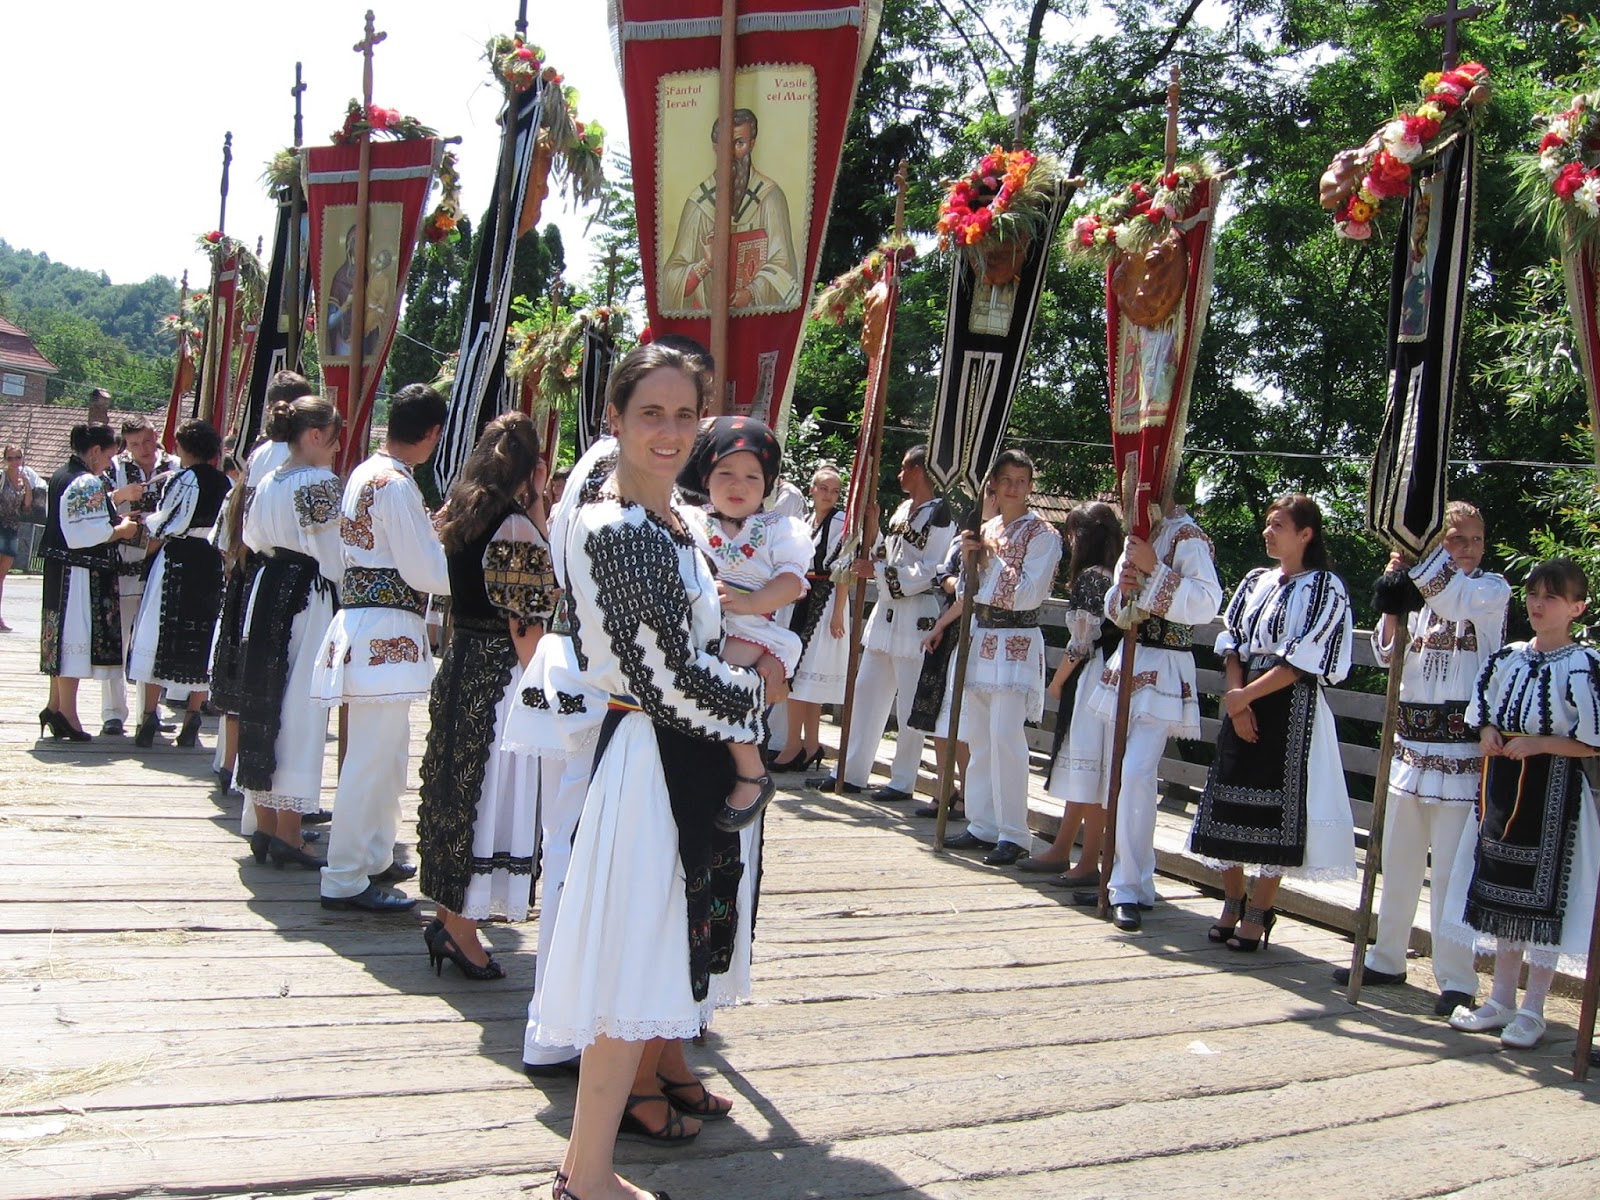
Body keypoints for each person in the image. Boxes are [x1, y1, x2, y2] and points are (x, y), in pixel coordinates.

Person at [531, 344, 782, 1200]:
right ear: (615, 420)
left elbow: (696, 656)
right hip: (650, 760)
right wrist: (752, 724)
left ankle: (584, 1170)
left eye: (685, 415)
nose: (670, 432)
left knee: (648, 965)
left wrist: (737, 738)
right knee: (627, 966)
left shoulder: (673, 521)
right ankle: (587, 1174)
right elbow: (669, 677)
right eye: (651, 414)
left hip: (684, 757)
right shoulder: (613, 530)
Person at [1332, 501, 1510, 1015]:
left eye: (1476, 539)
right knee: (1399, 860)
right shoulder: (1422, 599)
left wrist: (1418, 564)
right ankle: (1387, 956)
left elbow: (1454, 601)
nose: (1469, 549)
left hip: (1459, 751)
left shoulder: (1488, 590)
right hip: (1413, 744)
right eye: (1457, 539)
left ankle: (1457, 976)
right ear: (1437, 544)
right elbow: (1388, 651)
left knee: (1453, 869)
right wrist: (1394, 595)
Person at [416, 412, 560, 978]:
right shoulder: (516, 527)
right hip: (501, 677)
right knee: (491, 797)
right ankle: (460, 928)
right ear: (534, 467)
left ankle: (451, 913)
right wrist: (544, 693)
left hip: (461, 663)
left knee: (458, 791)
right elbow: (526, 626)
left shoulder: (461, 517)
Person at [1437, 558, 1600, 1051]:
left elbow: (1593, 742)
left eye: (1551, 597)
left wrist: (1544, 744)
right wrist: (1488, 733)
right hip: (1503, 790)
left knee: (1547, 902)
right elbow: (1482, 712)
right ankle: (1501, 998)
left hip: (1555, 797)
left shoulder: (1583, 664)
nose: (1537, 604)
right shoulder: (1507, 657)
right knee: (1502, 896)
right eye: (1533, 594)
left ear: (1577, 607)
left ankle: (1534, 1009)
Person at [1190, 494, 1356, 951]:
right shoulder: (1255, 580)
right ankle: (1232, 900)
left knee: (1278, 807)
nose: (1268, 531)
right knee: (1225, 797)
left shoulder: (1325, 587)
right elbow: (1234, 641)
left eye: (1278, 525)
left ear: (1305, 534)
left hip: (1289, 701)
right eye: (1267, 523)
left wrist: (1247, 697)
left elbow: (1306, 657)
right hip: (1245, 692)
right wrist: (1237, 698)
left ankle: (1261, 910)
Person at [311, 383, 452, 914]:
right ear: (433, 434)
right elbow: (424, 570)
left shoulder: (367, 472)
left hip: (369, 622)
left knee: (385, 754)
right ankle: (344, 874)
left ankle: (371, 855)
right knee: (372, 758)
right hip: (384, 627)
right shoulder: (394, 484)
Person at [1075, 495, 1223, 931]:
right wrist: (1123, 588)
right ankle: (1130, 880)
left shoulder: (1189, 537)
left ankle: (1127, 885)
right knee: (1119, 774)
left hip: (1166, 664)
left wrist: (1155, 569)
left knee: (1137, 772)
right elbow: (1117, 613)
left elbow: (1205, 604)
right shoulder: (1140, 533)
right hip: (1130, 660)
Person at [924, 450, 1063, 866]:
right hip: (980, 635)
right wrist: (971, 558)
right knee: (978, 736)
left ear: (1031, 485)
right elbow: (966, 590)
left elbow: (1027, 593)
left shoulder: (1044, 535)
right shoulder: (984, 527)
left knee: (1006, 736)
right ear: (995, 485)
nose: (1014, 488)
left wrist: (989, 556)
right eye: (1007, 479)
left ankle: (1015, 832)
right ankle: (982, 822)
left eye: (1022, 480)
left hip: (1015, 638)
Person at [679, 415, 809, 826]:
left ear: (768, 484)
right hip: (698, 627)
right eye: (726, 473)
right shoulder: (686, 518)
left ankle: (751, 772)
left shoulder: (780, 528)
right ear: (706, 476)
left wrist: (746, 603)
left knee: (720, 677)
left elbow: (790, 583)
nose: (738, 485)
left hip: (749, 627)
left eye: (753, 477)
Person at [234, 395, 344, 869]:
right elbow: (335, 555)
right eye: (335, 440)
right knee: (300, 705)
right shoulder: (320, 483)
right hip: (306, 595)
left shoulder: (269, 481)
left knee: (262, 696)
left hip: (266, 587)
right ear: (315, 436)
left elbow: (253, 540)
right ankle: (289, 832)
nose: (338, 450)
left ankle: (264, 824)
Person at [810, 446, 956, 800]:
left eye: (905, 468)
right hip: (886, 617)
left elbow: (932, 570)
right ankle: (851, 769)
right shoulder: (903, 510)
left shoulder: (942, 516)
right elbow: (885, 554)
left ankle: (902, 781)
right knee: (866, 694)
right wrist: (874, 529)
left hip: (916, 615)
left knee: (909, 705)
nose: (900, 475)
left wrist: (876, 571)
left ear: (920, 470)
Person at [213, 371, 316, 790]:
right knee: (266, 677)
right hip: (273, 566)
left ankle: (229, 760)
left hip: (247, 563)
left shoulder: (258, 454)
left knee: (243, 669)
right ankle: (257, 776)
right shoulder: (286, 457)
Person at [1025, 501, 1124, 883]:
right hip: (1111, 676)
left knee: (1091, 771)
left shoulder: (1090, 579)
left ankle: (1087, 863)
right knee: (1090, 770)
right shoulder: (1117, 574)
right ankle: (1063, 848)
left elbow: (1081, 642)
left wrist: (1056, 680)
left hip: (1094, 676)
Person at [126, 419, 230, 749]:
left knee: (161, 631)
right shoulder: (226, 482)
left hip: (179, 558)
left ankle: (149, 713)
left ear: (184, 448)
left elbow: (167, 523)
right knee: (202, 633)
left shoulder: (183, 480)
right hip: (210, 561)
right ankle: (193, 715)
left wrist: (146, 544)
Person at [39, 424, 140, 739]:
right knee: (72, 640)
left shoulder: (61, 475)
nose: (110, 464)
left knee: (61, 639)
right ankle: (67, 713)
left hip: (61, 568)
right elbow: (84, 533)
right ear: (95, 451)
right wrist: (122, 530)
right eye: (109, 456)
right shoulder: (85, 481)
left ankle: (55, 707)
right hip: (77, 573)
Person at [661, 107, 800, 315]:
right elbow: (670, 280)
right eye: (726, 144)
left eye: (740, 143)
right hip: (706, 327)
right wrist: (705, 264)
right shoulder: (698, 204)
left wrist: (752, 292)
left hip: (755, 322)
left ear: (752, 144)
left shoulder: (770, 196)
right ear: (716, 148)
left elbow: (785, 266)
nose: (733, 153)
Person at [99, 417, 181, 735]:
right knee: (117, 640)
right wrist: (120, 496)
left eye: (147, 442)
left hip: (160, 564)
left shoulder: (173, 466)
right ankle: (113, 712)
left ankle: (150, 711)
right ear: (126, 445)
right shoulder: (115, 471)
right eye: (135, 444)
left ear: (156, 437)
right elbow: (98, 506)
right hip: (123, 565)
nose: (143, 450)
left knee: (152, 642)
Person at [771, 464, 849, 771]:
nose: (829, 495)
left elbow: (844, 571)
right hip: (800, 600)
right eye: (824, 488)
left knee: (807, 677)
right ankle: (802, 743)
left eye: (835, 490)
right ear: (813, 490)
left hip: (824, 602)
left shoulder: (841, 522)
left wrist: (839, 613)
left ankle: (803, 744)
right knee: (798, 675)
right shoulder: (805, 522)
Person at [0, 444, 44, 631]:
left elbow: (27, 507)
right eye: (10, 458)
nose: (14, 462)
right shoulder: (1, 478)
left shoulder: (25, 479)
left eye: (17, 458)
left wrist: (27, 486)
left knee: (1, 576)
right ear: (5, 460)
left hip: (12, 529)